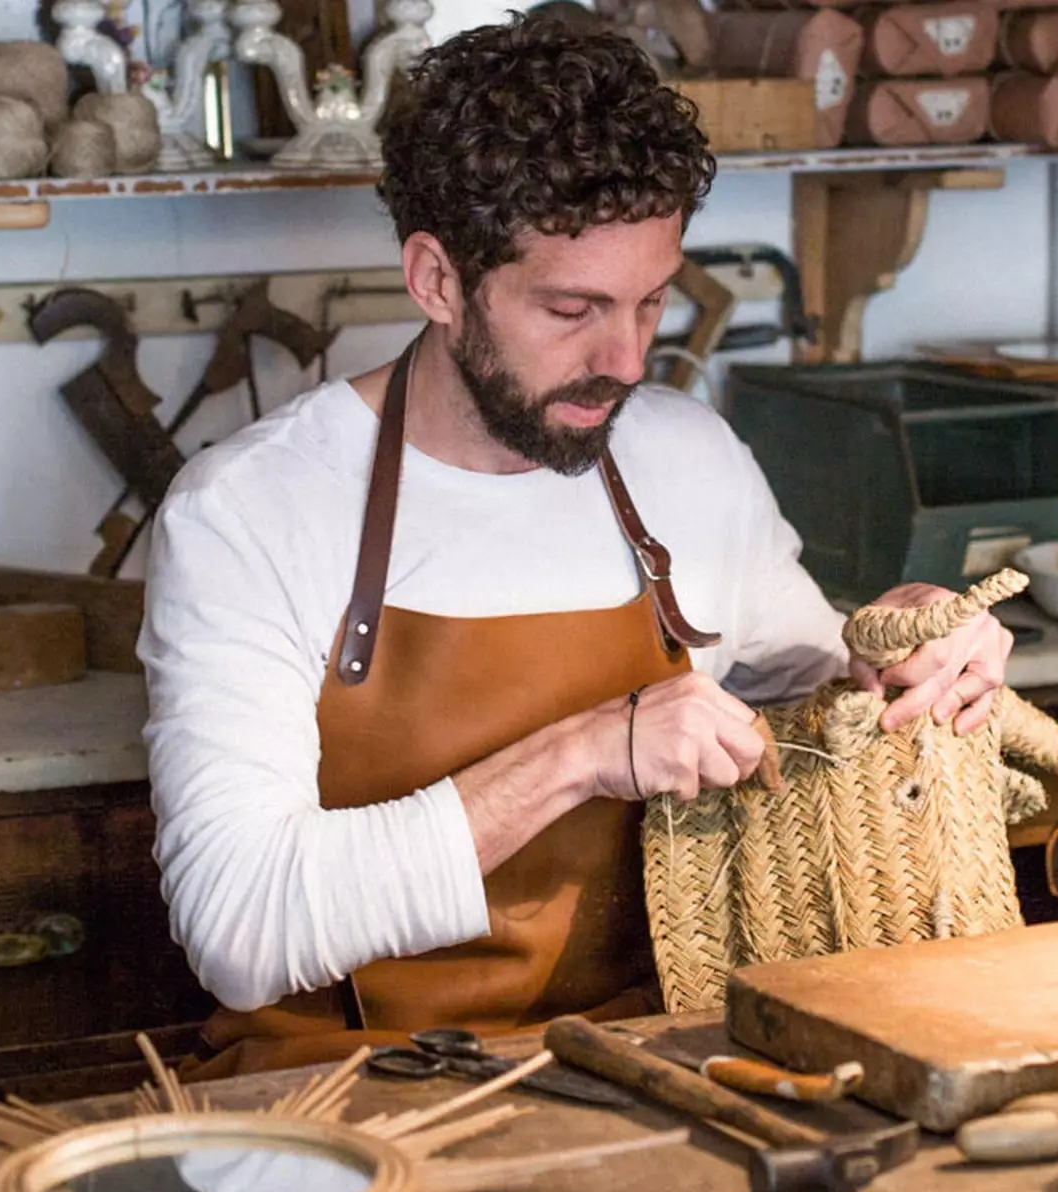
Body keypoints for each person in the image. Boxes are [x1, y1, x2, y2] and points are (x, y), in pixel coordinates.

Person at [138, 14, 1013, 1082]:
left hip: (643, 1065)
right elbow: (238, 935)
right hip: (341, 1089)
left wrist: (905, 646)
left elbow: (819, 679)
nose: (625, 358)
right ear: (437, 280)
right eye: (571, 308)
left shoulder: (687, 461)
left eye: (652, 301)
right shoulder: (251, 511)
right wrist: (582, 754)